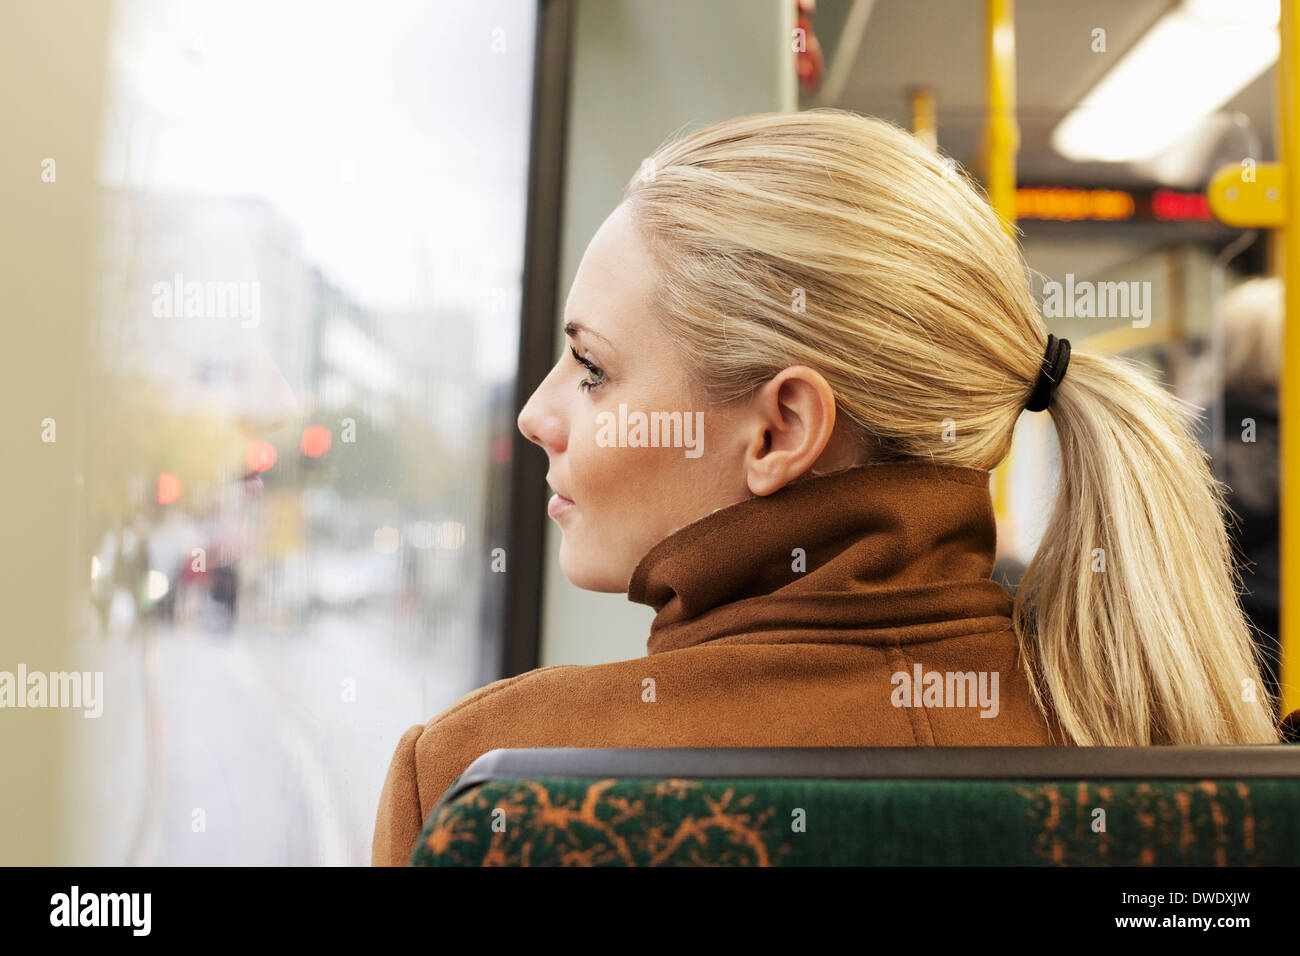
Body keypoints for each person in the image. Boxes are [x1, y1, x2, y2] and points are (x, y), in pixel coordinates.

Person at [371, 110, 1284, 866]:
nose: (537, 414)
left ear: (781, 430)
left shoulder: (483, 784)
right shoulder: (1182, 759)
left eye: (591, 368)